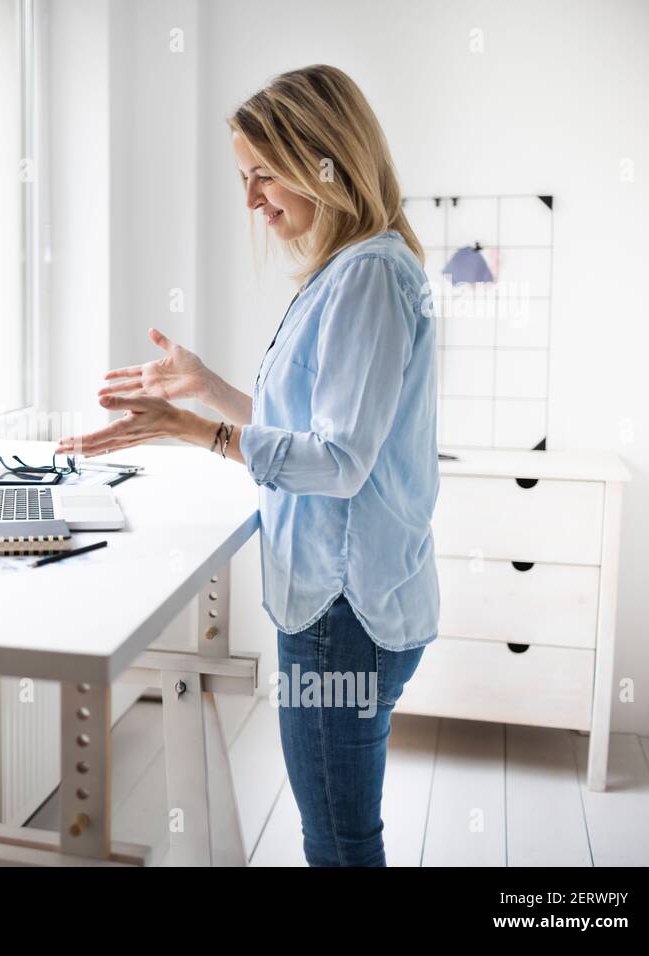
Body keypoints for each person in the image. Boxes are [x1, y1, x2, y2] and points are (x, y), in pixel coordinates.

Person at [56, 64, 439, 867]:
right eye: (244, 177)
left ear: (322, 158)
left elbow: (336, 464)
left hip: (344, 617)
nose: (252, 200)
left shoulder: (367, 274)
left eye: (263, 174)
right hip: (354, 605)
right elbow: (308, 428)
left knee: (337, 836)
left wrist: (193, 431)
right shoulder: (353, 270)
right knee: (340, 825)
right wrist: (209, 390)